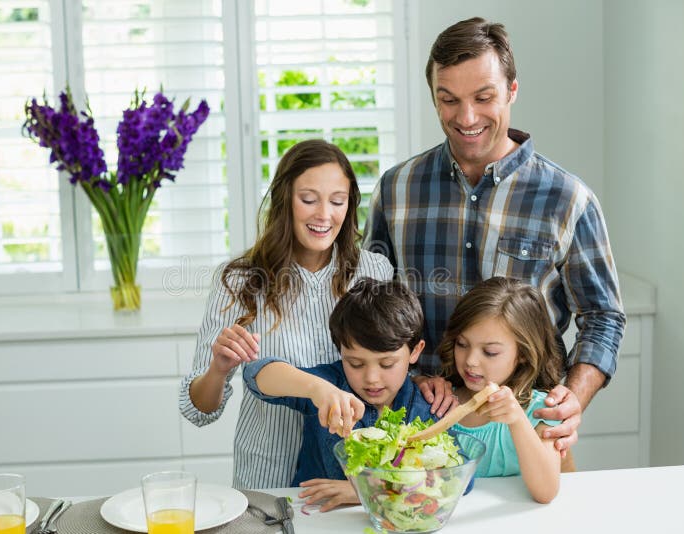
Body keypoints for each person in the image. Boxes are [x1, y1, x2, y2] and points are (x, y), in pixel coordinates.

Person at [363, 17, 626, 454]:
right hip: (413, 426)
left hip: (523, 432)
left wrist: (573, 400)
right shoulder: (396, 189)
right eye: (448, 100)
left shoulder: (569, 199)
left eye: (483, 97)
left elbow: (603, 317)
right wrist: (403, 375)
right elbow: (370, 307)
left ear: (511, 91)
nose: (466, 118)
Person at [178, 139, 394, 489]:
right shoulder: (238, 281)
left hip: (352, 476)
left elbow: (391, 372)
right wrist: (218, 369)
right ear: (284, 201)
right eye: (308, 199)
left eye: (337, 201)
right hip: (268, 474)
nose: (324, 214)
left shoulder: (375, 272)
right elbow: (199, 410)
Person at [242, 277, 434, 511]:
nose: (371, 378)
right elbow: (255, 375)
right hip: (315, 518)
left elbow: (459, 479)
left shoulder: (426, 405)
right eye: (355, 363)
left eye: (386, 364)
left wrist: (367, 490)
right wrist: (317, 389)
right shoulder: (330, 383)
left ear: (415, 351)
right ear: (340, 350)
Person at [439, 277, 564, 503]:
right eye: (462, 344)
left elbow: (546, 492)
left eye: (490, 352)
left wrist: (517, 421)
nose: (471, 361)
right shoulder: (440, 402)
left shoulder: (539, 411)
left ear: (524, 353)